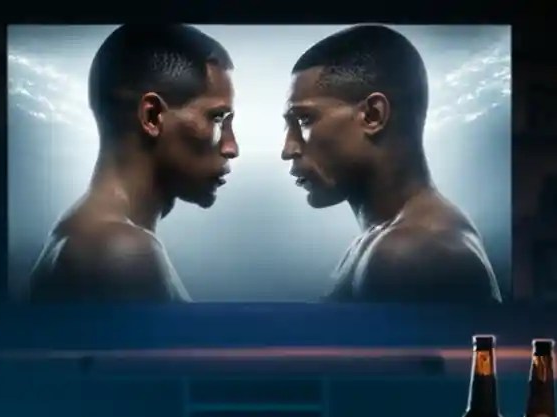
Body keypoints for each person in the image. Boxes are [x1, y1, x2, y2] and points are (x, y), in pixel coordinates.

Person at [282, 25, 502, 303]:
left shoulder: (413, 254)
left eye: (304, 120)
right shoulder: (388, 239)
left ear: (373, 115)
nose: (288, 149)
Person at [27, 24, 239, 302]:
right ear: (152, 117)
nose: (231, 146)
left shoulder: (83, 234)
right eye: (216, 118)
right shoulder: (118, 252)